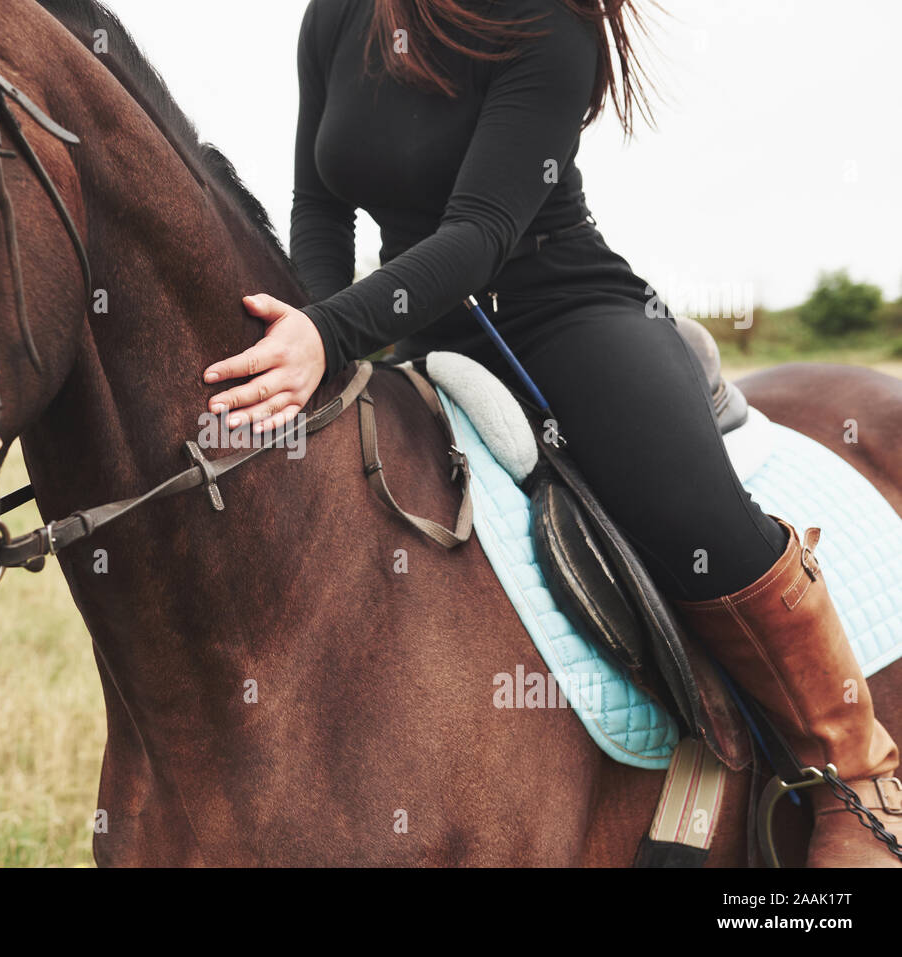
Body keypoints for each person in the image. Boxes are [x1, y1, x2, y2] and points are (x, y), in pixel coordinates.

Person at [200, 0, 901, 866]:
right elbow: (319, 204)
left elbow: (481, 233)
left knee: (698, 528)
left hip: (565, 317)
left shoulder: (548, 21)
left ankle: (856, 776)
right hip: (415, 332)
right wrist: (309, 328)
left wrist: (331, 332)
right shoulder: (337, 15)